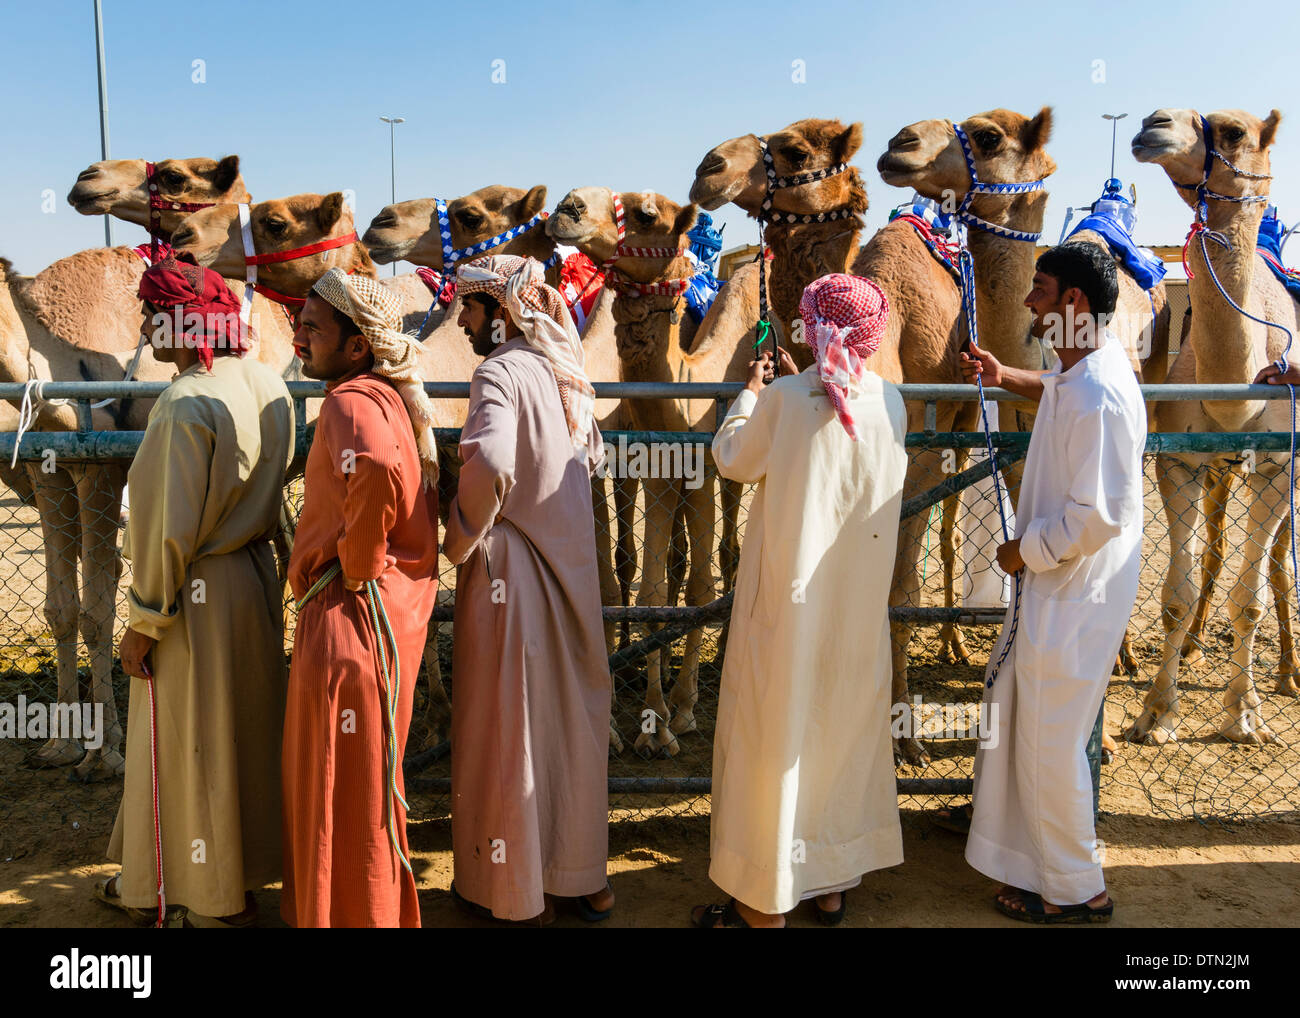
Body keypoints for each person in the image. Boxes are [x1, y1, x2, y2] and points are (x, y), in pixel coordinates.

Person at [692, 273, 907, 929]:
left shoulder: (784, 398)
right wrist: (795, 387)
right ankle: (830, 882)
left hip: (784, 619)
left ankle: (761, 902)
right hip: (854, 616)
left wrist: (753, 394)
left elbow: (733, 457)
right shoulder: (893, 403)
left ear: (813, 329)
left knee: (771, 736)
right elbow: (832, 410)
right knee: (836, 734)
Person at [99, 256, 293, 927]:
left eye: (155, 313)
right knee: (245, 733)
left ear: (184, 320)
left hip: (193, 594)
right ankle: (234, 879)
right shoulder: (271, 385)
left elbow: (164, 533)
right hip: (252, 579)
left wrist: (143, 620)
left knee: (194, 743)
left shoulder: (182, 404)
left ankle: (210, 904)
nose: (148, 326)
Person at [957, 242, 1145, 923]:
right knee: (1034, 727)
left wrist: (1022, 553)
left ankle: (1078, 890)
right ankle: (1043, 867)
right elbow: (1058, 394)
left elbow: (1098, 516)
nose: (1029, 301)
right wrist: (1004, 374)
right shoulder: (1087, 370)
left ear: (1071, 302)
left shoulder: (1098, 390)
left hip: (1072, 586)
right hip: (1063, 586)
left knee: (1051, 739)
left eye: (1039, 289)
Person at [444, 254, 613, 926]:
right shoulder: (564, 370)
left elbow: (489, 460)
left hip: (510, 575)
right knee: (570, 727)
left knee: (510, 731)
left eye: (472, 308)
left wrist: (457, 537)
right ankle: (583, 880)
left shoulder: (501, 371)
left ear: (501, 313)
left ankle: (515, 892)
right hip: (572, 570)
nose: (461, 320)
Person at [280, 268, 439, 928]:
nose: (299, 336)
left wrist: (356, 564)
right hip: (377, 622)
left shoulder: (349, 404)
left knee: (335, 786)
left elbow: (371, 470)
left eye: (313, 328)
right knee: (364, 786)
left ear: (355, 346)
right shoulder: (385, 398)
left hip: (348, 620)